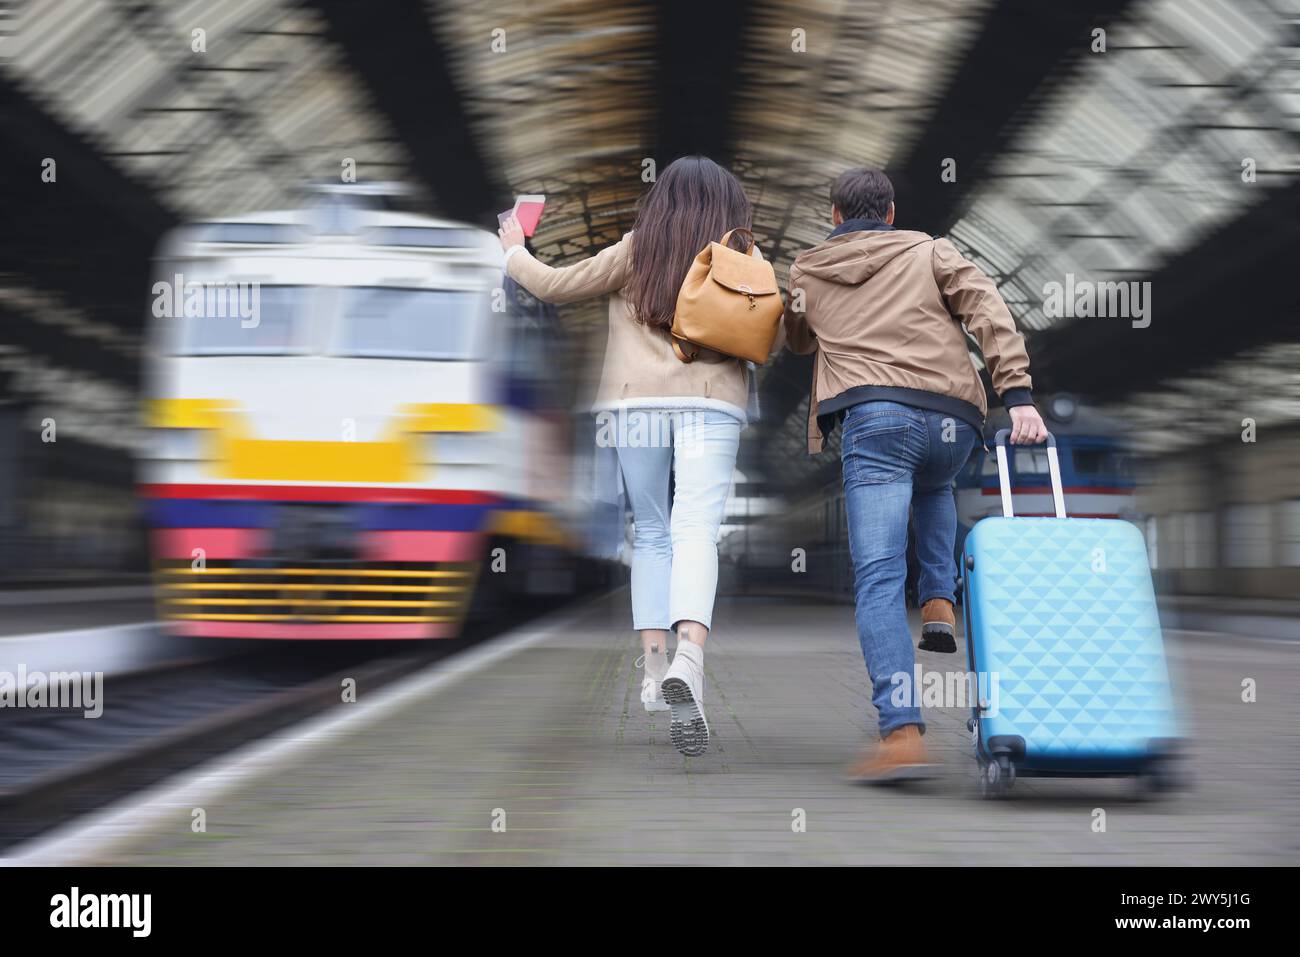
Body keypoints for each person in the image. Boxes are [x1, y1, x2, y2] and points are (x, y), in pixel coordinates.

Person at [783, 167, 1048, 782]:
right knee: (935, 485)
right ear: (893, 212)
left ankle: (901, 732)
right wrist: (1019, 395)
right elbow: (988, 309)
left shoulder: (807, 270)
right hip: (952, 420)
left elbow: (797, 340)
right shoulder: (933, 250)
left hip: (875, 419)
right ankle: (939, 601)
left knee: (877, 578)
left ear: (833, 216)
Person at [498, 155, 755, 757]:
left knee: (652, 534)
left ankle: (651, 670)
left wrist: (514, 248)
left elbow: (554, 285)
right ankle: (689, 661)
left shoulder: (639, 247)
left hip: (635, 408)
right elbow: (777, 318)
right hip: (713, 405)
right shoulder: (740, 255)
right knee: (697, 529)